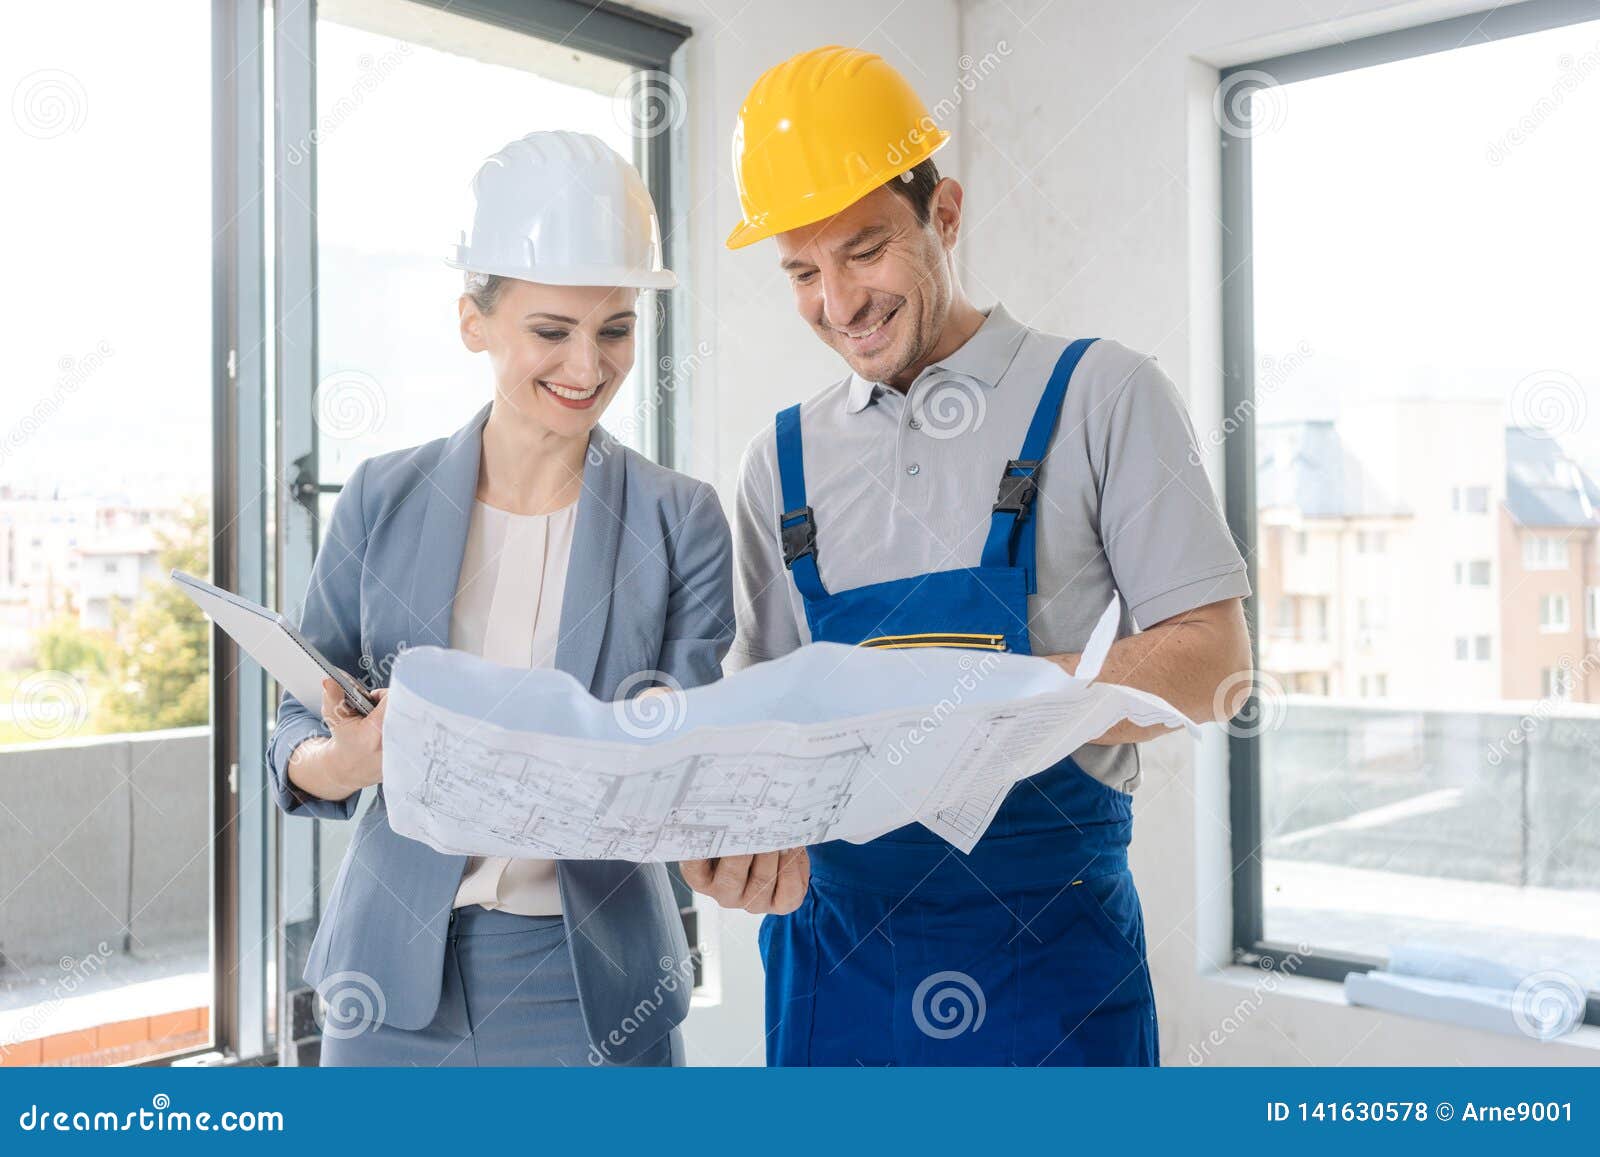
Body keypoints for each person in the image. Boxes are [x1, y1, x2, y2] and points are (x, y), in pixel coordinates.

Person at [683, 46, 1253, 1066]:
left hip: (1049, 958)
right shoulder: (778, 461)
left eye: (864, 252)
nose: (838, 302)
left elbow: (1214, 664)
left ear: (943, 214)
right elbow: (765, 720)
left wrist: (989, 712)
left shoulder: (1100, 395)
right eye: (802, 273)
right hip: (833, 965)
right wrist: (726, 834)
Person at [266, 130, 733, 1066]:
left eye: (615, 329)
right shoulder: (381, 497)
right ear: (474, 321)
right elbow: (290, 728)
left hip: (593, 985)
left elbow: (687, 760)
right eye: (551, 332)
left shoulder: (682, 520)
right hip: (389, 981)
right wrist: (347, 759)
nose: (588, 367)